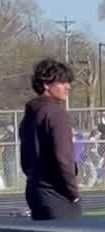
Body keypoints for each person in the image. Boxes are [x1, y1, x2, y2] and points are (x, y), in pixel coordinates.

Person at [18, 59, 81, 220]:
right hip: (57, 193)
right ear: (46, 84)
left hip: (35, 190)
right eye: (62, 82)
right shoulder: (55, 113)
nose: (68, 86)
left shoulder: (30, 115)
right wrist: (73, 192)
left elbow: (25, 160)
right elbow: (64, 157)